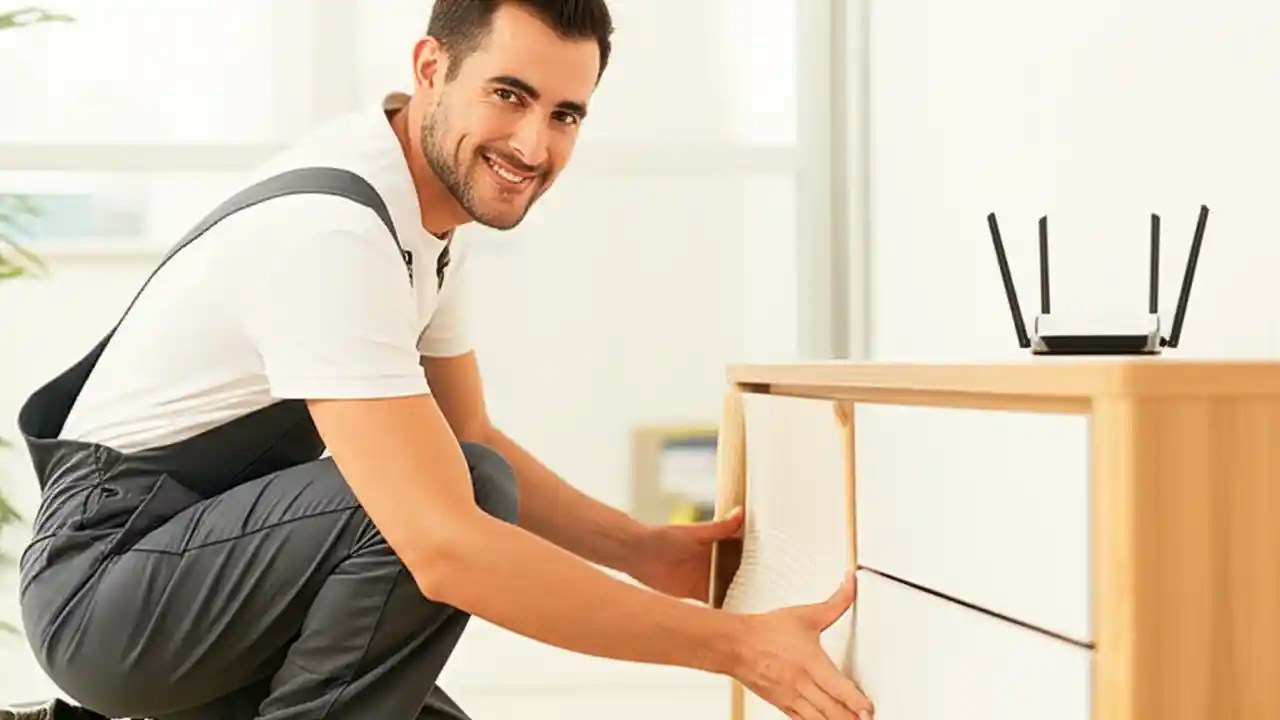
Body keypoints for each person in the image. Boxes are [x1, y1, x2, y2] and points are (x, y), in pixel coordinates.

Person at [5, 1, 875, 719]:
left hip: (200, 578)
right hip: (110, 593)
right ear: (431, 68)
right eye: (509, 94)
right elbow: (441, 544)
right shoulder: (337, 231)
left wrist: (645, 550)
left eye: (564, 114)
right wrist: (736, 648)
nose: (534, 146)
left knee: (467, 477)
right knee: (450, 497)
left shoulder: (424, 219)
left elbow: (471, 433)